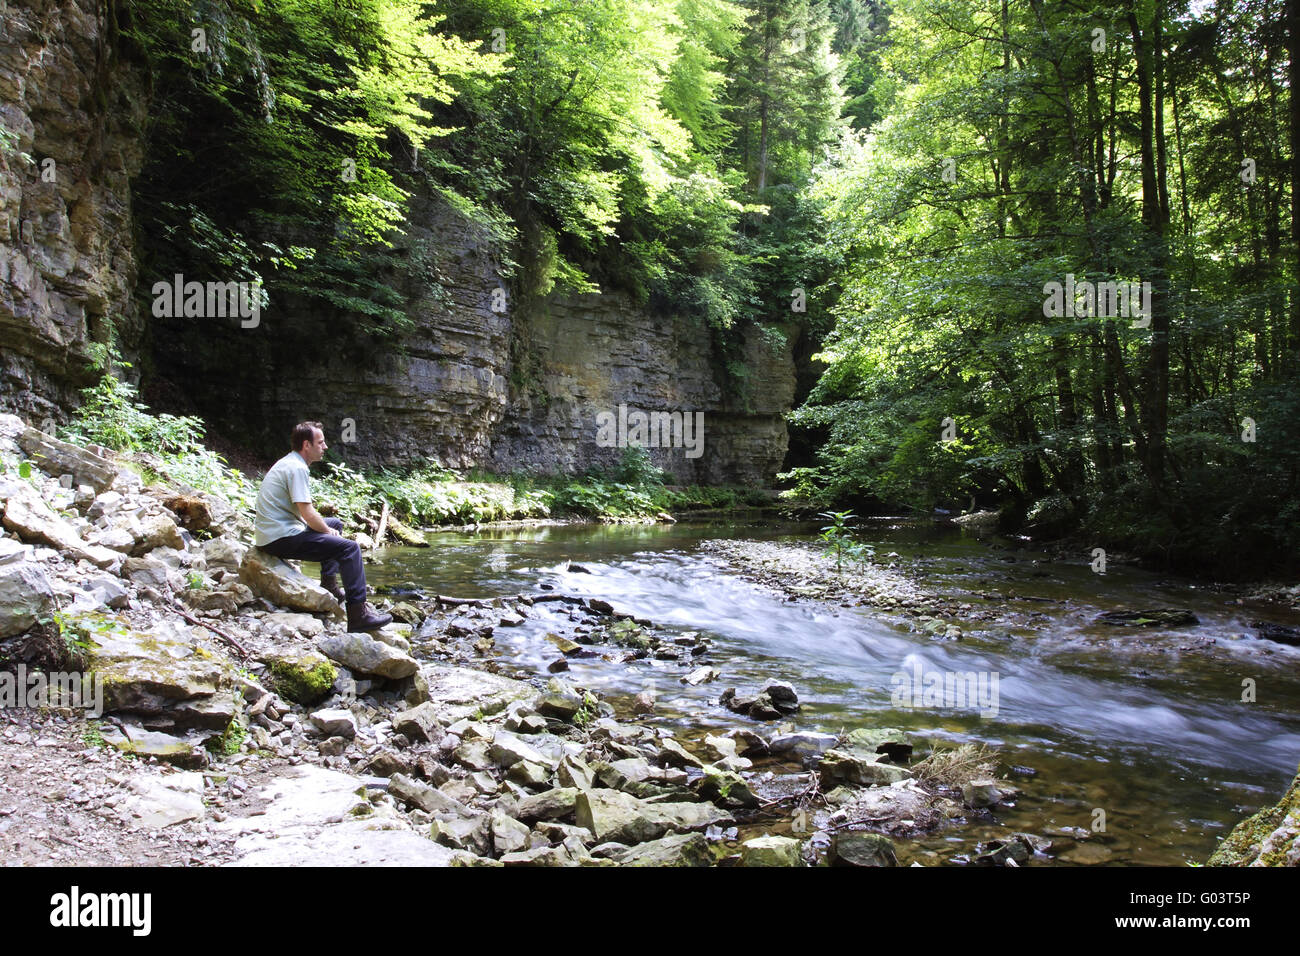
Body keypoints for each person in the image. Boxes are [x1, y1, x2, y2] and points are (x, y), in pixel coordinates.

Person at [253, 421, 392, 633]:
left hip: (275, 532)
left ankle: (329, 585)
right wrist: (327, 532)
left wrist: (329, 529)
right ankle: (358, 615)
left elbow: (305, 514)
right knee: (349, 548)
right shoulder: (297, 468)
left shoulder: (290, 463)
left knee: (335, 523)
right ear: (306, 445)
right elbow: (308, 513)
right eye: (321, 442)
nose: (325, 447)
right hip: (280, 538)